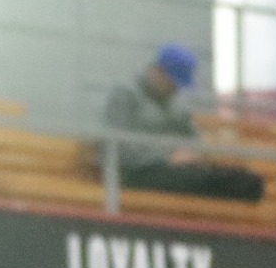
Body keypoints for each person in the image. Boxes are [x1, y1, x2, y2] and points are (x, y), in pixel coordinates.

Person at [101, 45, 265, 203]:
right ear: (156, 72)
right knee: (198, 181)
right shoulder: (124, 96)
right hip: (136, 173)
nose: (175, 89)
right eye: (172, 82)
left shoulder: (175, 105)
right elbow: (117, 145)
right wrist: (167, 157)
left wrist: (196, 154)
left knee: (246, 182)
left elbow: (193, 138)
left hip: (176, 170)